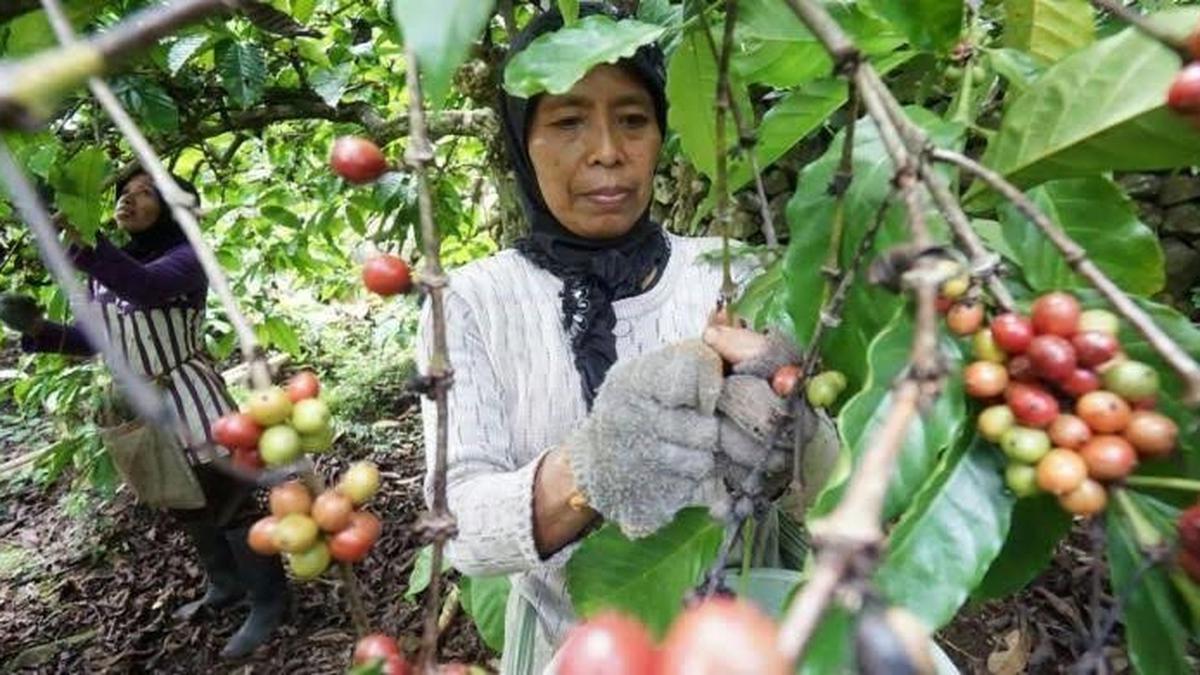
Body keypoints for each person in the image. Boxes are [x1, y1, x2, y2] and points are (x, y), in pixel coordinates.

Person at [414, 5, 837, 673]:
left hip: (740, 641)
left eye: (633, 119)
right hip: (573, 649)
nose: (607, 150)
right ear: (524, 141)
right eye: (568, 120)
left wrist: (796, 435)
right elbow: (459, 527)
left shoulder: (735, 276)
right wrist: (591, 468)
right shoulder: (471, 302)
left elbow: (833, 484)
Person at [0, 171, 287, 659]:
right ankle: (225, 585)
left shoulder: (187, 256)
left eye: (145, 193)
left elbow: (149, 289)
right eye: (124, 192)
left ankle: (269, 602)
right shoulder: (110, 266)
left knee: (231, 499)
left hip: (194, 397)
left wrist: (79, 242)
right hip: (147, 406)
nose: (128, 199)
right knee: (184, 500)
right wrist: (40, 329)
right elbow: (102, 339)